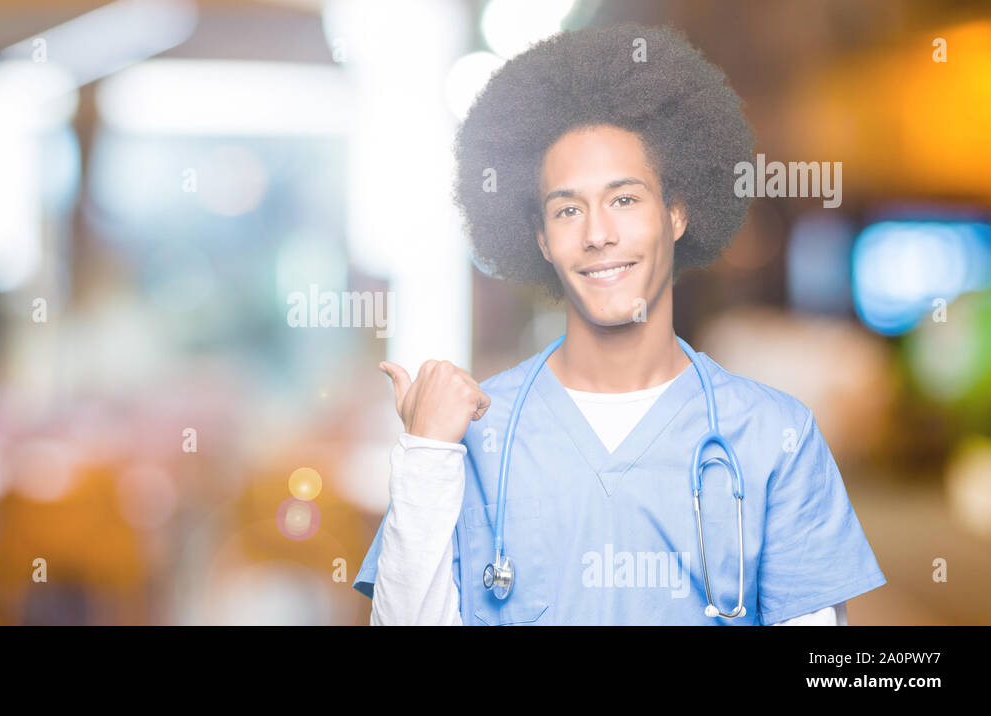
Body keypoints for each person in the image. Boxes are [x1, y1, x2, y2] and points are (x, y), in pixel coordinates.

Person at [353, 23, 886, 625]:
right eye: (567, 208)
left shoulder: (775, 439)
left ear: (678, 212)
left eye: (625, 199)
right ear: (541, 239)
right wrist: (425, 453)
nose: (597, 232)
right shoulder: (469, 435)